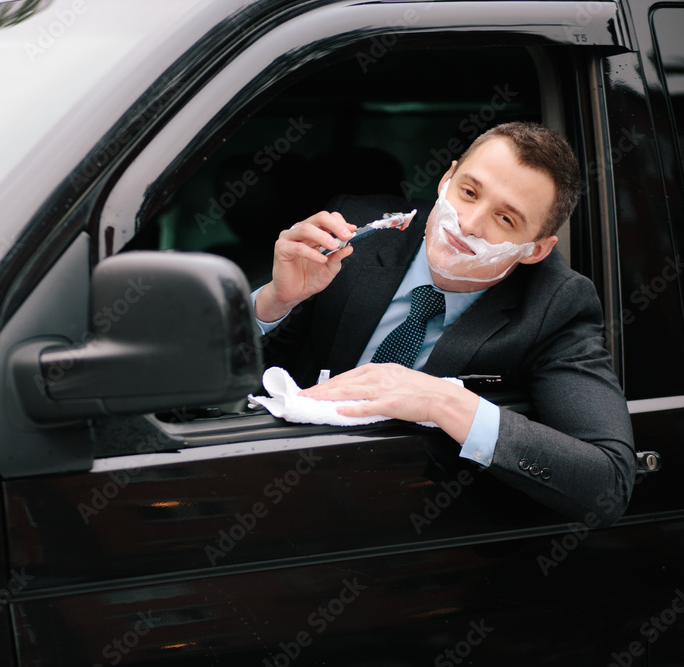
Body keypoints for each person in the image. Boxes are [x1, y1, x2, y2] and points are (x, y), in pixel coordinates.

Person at [253, 122, 635, 525]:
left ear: (536, 249)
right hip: (282, 495)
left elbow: (608, 483)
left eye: (505, 219)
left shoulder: (554, 305)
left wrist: (443, 402)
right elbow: (235, 381)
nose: (469, 223)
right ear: (446, 178)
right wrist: (276, 300)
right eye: (468, 192)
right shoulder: (356, 232)